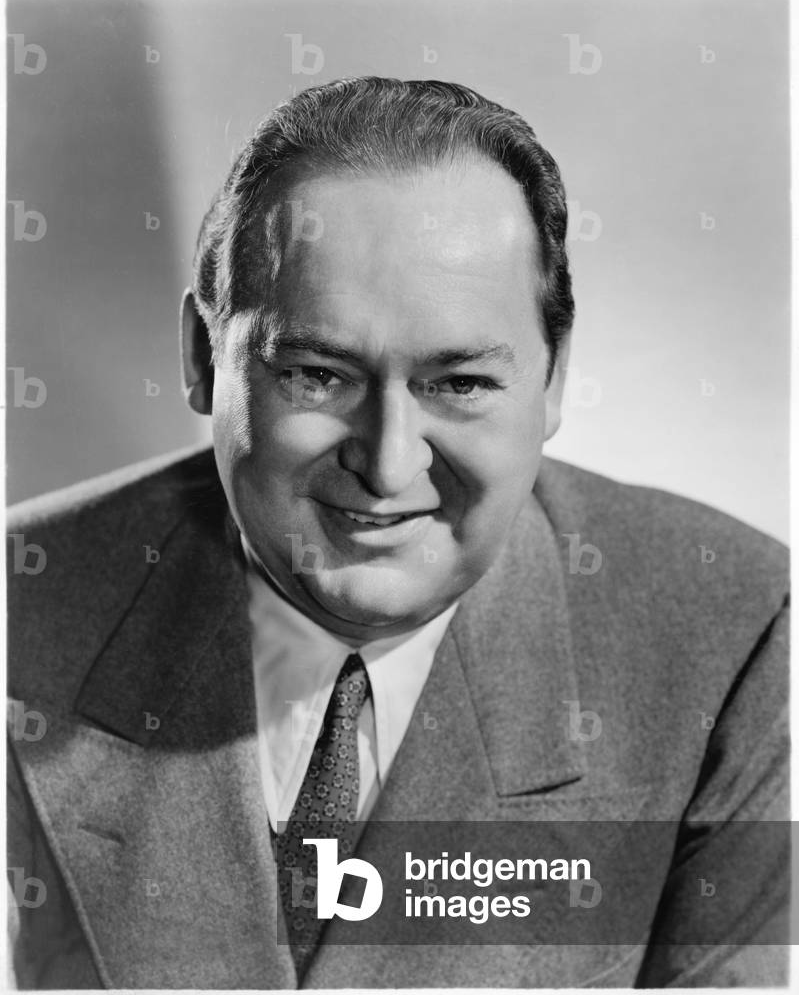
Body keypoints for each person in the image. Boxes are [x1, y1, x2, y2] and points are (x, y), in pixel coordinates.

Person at [7, 77, 789, 989]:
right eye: (316, 373)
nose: (386, 465)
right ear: (199, 356)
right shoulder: (21, 606)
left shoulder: (733, 628)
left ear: (556, 380)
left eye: (457, 384)